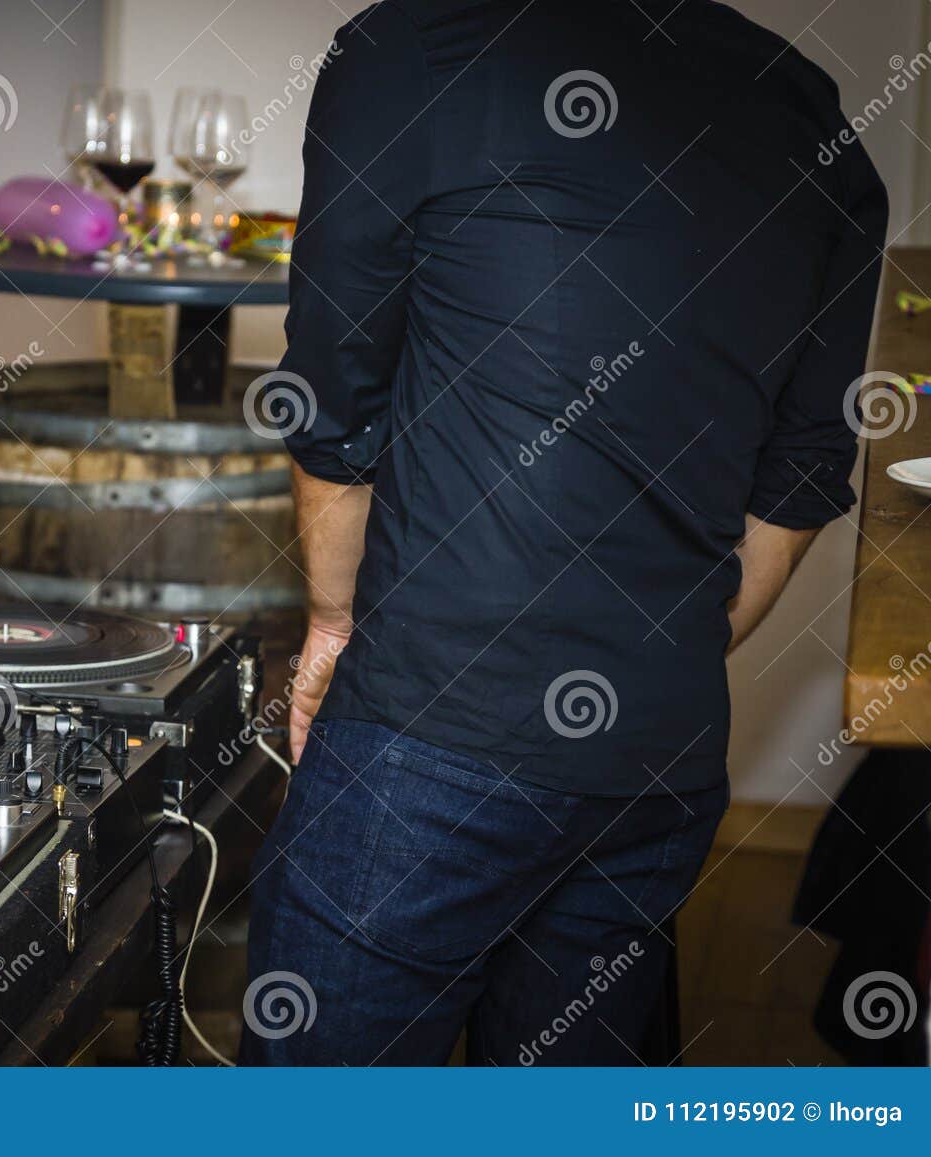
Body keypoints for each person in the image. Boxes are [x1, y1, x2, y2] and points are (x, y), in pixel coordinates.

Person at [245, 0, 887, 1065]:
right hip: (661, 760)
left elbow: (331, 400)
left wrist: (330, 623)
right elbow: (804, 470)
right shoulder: (804, 104)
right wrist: (663, 648)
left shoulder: (411, 45)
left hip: (431, 732)